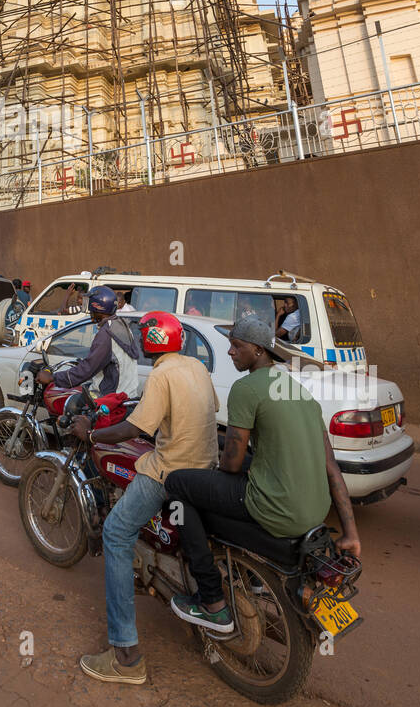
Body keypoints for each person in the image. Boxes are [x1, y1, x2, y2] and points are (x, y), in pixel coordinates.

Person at [165, 316, 361, 635]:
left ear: (257, 351)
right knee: (248, 466)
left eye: (236, 346)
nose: (230, 352)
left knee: (178, 484)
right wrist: (351, 532)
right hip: (315, 513)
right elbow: (331, 467)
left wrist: (213, 458)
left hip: (276, 510)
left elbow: (230, 463)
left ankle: (212, 602)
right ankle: (254, 580)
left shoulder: (246, 389)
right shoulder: (300, 393)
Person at [73, 311, 219, 685]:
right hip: (206, 470)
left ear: (151, 341)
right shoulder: (196, 368)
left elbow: (135, 427)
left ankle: (125, 655)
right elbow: (205, 410)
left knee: (116, 533)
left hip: (171, 472)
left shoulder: (161, 374)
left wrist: (91, 435)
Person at [37, 285, 139, 400]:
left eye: (89, 304)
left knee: (70, 408)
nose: (89, 309)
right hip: (126, 394)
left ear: (98, 307)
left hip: (111, 399)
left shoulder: (106, 333)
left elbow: (88, 369)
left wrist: (53, 378)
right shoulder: (121, 325)